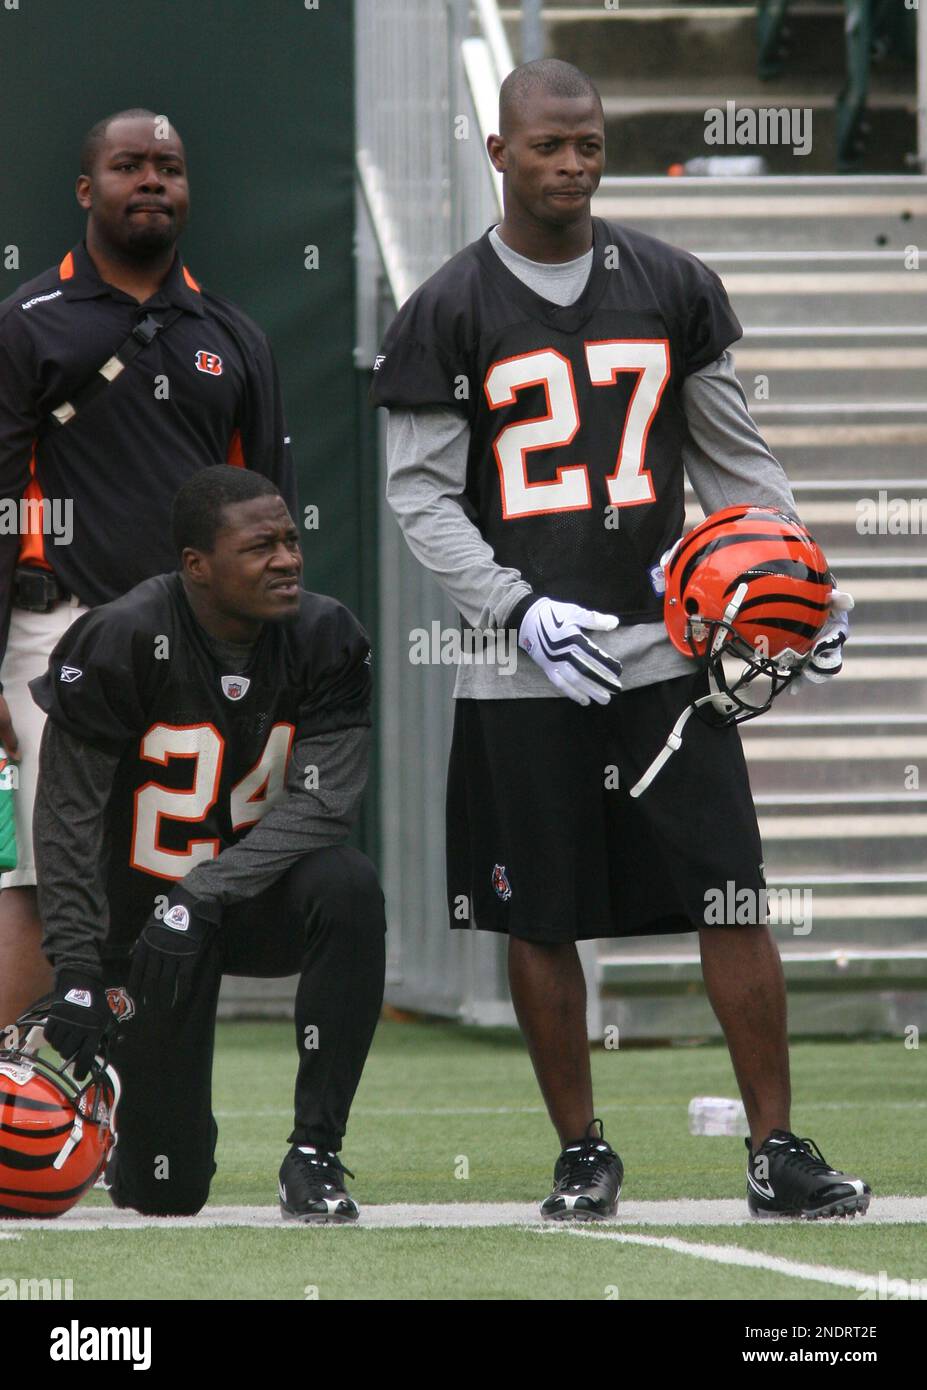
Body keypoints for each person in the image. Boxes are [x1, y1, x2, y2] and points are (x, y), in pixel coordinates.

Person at [371, 59, 869, 1221]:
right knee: (536, 911)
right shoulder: (447, 306)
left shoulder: (672, 283)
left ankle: (775, 1148)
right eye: (548, 146)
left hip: (669, 656)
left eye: (589, 144)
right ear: (499, 154)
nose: (573, 165)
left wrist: (801, 579)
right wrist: (514, 606)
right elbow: (420, 499)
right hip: (522, 663)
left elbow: (735, 460)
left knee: (733, 897)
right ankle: (582, 1151)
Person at [0, 108, 295, 1027]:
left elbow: (273, 513)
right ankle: (15, 1103)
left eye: (168, 166)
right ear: (88, 190)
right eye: (129, 166)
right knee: (49, 875)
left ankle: (144, 1127)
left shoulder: (234, 335)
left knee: (171, 872)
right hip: (59, 634)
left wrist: (271, 659)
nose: (152, 182)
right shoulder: (26, 326)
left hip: (200, 651)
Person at [28, 467, 385, 1221]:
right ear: (197, 566)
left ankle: (315, 1153)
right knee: (167, 1189)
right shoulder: (122, 636)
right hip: (146, 928)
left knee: (347, 886)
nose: (287, 560)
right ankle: (137, 1131)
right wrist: (79, 967)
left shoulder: (325, 636)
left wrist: (203, 890)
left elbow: (326, 803)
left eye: (290, 541)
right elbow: (67, 817)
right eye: (260, 547)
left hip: (249, 903)